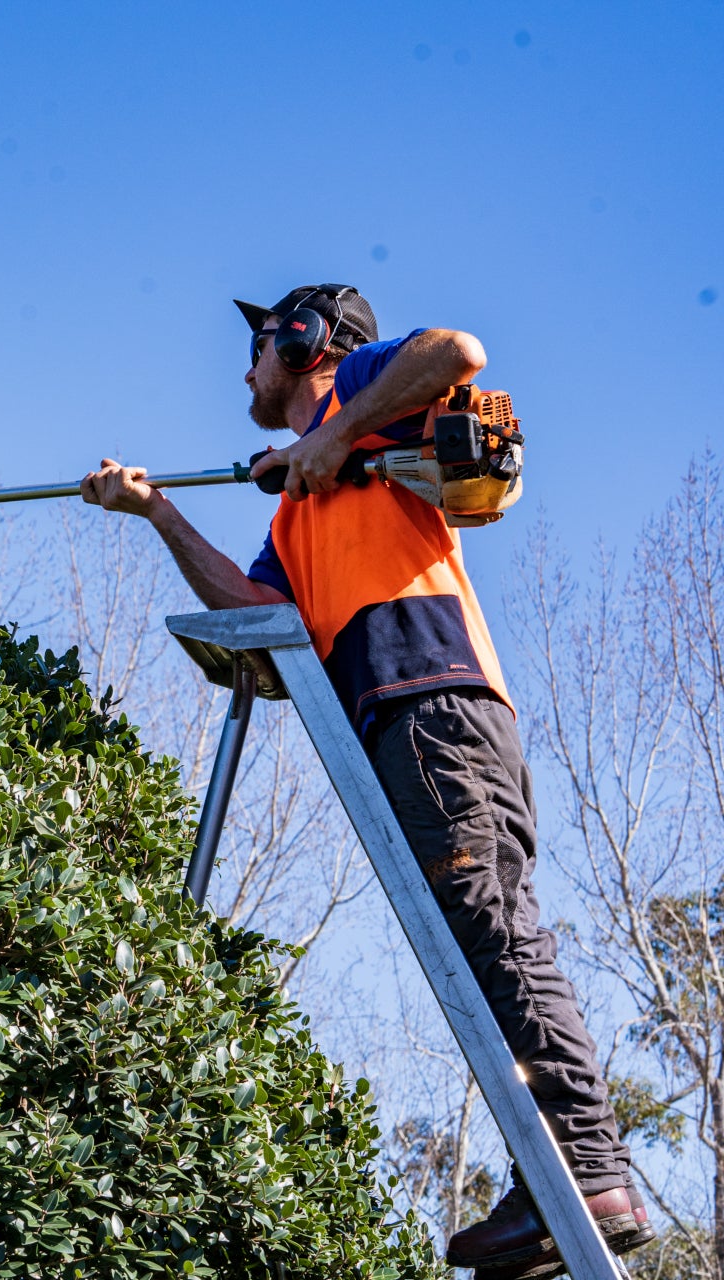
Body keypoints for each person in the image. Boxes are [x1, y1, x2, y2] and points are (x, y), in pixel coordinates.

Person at [78, 285, 650, 1274]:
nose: (244, 367)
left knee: (492, 924)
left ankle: (590, 1170)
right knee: (479, 944)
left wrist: (337, 432)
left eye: (259, 344)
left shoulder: (368, 380)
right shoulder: (300, 506)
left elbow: (456, 347)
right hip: (394, 714)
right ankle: (548, 1178)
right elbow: (261, 623)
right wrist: (156, 512)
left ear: (302, 340)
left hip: (433, 695)